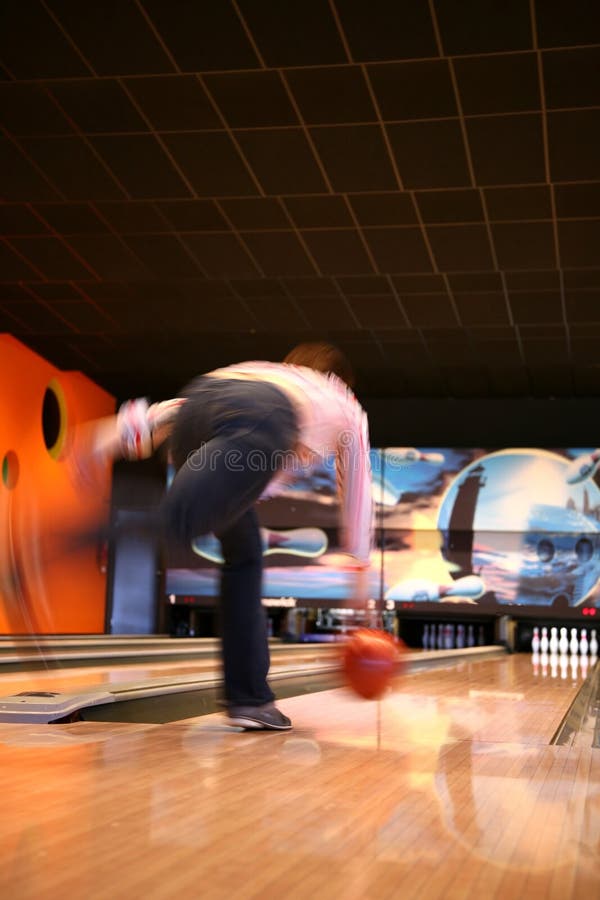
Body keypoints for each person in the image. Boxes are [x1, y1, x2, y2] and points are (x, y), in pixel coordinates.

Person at [77, 343, 373, 731]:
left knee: (244, 552)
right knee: (180, 521)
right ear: (340, 380)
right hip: (258, 419)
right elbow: (356, 486)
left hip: (202, 405)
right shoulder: (340, 398)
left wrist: (111, 438)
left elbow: (175, 411)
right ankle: (55, 541)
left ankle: (250, 700)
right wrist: (360, 566)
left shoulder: (267, 372)